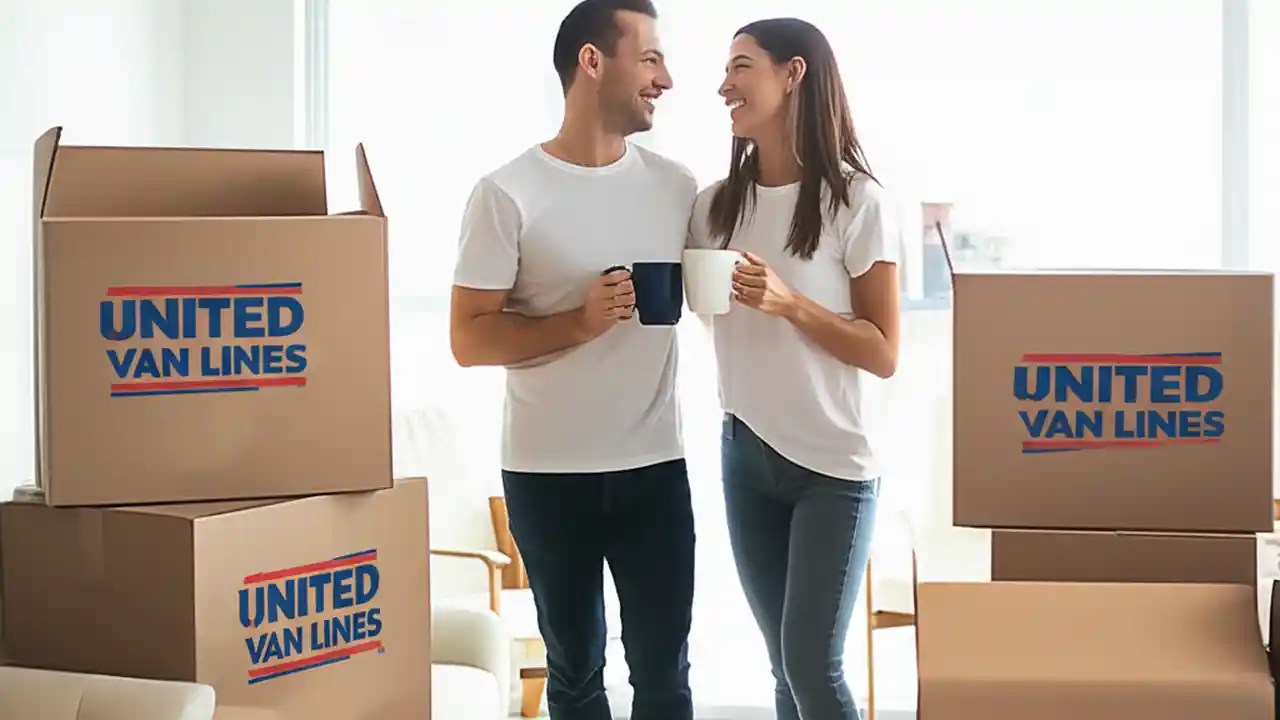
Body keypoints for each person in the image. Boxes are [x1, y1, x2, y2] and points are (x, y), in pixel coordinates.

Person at [448, 1, 697, 718]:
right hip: (547, 474)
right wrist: (580, 324)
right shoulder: (506, 193)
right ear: (593, 61)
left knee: (665, 676)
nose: (666, 79)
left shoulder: (677, 188)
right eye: (649, 58)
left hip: (655, 466)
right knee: (577, 674)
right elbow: (469, 339)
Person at [687, 17, 902, 720]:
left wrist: (790, 304)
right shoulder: (713, 208)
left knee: (812, 664)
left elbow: (883, 351)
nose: (723, 85)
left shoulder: (858, 202)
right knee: (784, 667)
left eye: (740, 66)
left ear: (793, 73)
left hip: (832, 468)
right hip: (745, 453)